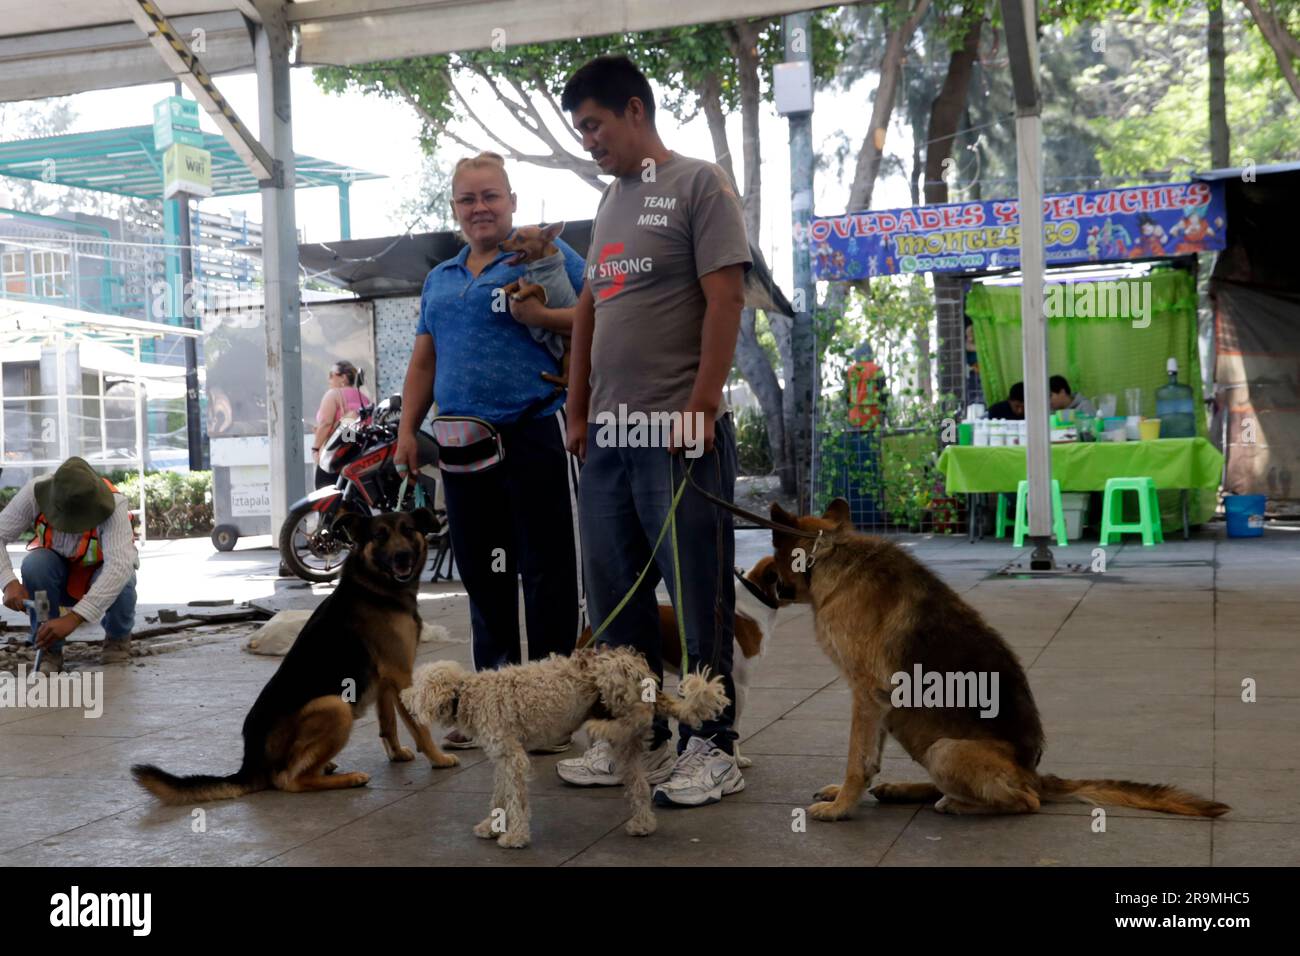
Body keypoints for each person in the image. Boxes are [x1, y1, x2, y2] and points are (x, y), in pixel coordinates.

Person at [557, 55, 752, 807]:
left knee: (698, 595)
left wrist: (702, 404)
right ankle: (640, 734)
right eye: (581, 131)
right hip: (606, 439)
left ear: (635, 111)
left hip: (677, 435)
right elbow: (590, 313)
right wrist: (577, 410)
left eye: (596, 126)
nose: (590, 142)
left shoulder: (700, 185)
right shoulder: (610, 203)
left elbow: (726, 298)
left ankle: (713, 744)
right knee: (615, 604)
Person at [393, 151, 585, 752]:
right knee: (485, 571)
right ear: (455, 208)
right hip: (461, 445)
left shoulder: (546, 254)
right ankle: (490, 708)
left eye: (491, 197)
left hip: (535, 432)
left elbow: (595, 319)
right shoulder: (440, 278)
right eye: (468, 199)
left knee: (548, 572)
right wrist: (406, 430)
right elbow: (426, 358)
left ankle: (550, 712)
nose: (480, 208)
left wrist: (547, 319)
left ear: (512, 203)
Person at [0, 457, 138, 672]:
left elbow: (118, 567)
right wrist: (8, 581)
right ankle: (49, 647)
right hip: (55, 579)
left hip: (95, 578)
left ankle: (117, 639)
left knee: (125, 580)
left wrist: (74, 619)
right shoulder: (34, 493)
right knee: (35, 565)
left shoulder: (114, 504)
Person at [312, 360, 372, 489]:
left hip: (336, 454)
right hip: (359, 454)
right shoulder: (364, 398)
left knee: (327, 494)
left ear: (343, 377)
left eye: (332, 374)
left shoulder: (333, 394)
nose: (329, 379)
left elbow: (326, 423)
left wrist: (316, 449)